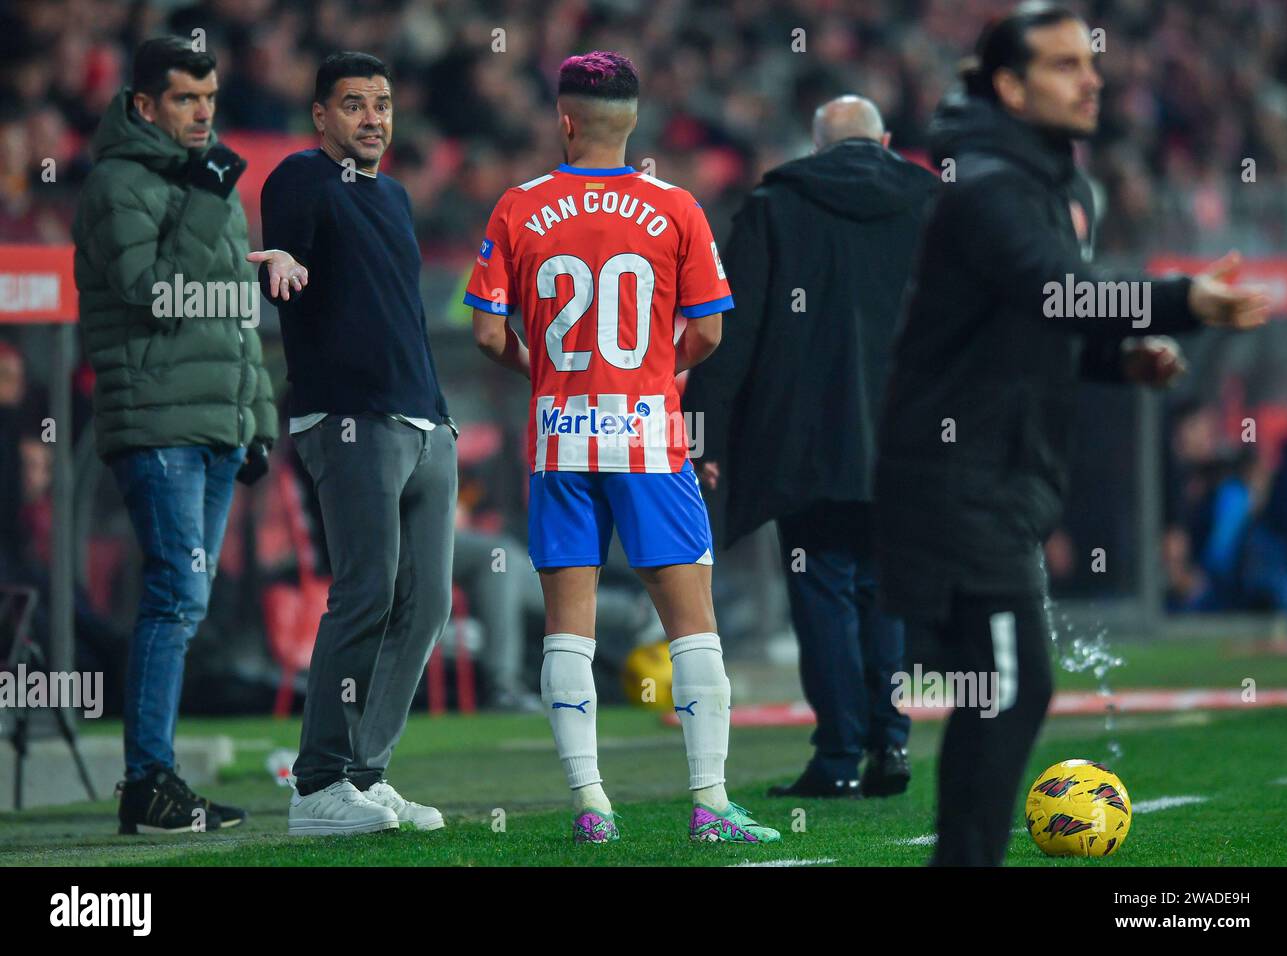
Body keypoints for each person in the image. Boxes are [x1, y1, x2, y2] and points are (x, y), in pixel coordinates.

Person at [874, 2, 1270, 867]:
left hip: (988, 472)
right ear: (1011, 87)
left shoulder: (1037, 181)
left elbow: (1032, 324)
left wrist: (1118, 361)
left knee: (1001, 689)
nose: (1091, 77)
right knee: (1011, 689)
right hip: (958, 474)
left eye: (1088, 62)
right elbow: (1053, 291)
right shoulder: (989, 184)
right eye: (1063, 65)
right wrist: (1183, 300)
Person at [468, 51, 780, 845]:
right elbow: (709, 330)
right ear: (632, 122)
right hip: (647, 434)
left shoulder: (517, 206)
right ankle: (710, 804)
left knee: (569, 629)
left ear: (564, 121)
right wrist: (653, 368)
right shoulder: (677, 208)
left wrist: (543, 367)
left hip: (559, 439)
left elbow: (483, 330)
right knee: (693, 628)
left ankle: (591, 806)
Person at [73, 36, 296, 835]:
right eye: (183, 99)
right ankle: (149, 784)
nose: (203, 112)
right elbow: (150, 292)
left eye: (208, 97)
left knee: (182, 601)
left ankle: (152, 783)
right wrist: (207, 198)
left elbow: (238, 316)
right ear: (144, 105)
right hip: (158, 422)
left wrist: (257, 417)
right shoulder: (117, 185)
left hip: (211, 424)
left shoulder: (205, 182)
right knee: (175, 595)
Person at [684, 95, 934, 799]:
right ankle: (891, 740)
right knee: (885, 589)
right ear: (884, 141)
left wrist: (706, 431)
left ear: (819, 147)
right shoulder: (933, 205)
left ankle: (838, 756)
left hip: (806, 442)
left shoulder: (776, 205)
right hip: (911, 440)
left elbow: (729, 330)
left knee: (823, 588)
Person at [260, 52, 458, 836]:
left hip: (421, 423)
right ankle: (315, 788)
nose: (372, 118)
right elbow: (288, 245)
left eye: (381, 103)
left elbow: (399, 314)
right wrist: (281, 258)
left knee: (427, 604)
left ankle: (365, 775)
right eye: (353, 104)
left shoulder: (396, 197)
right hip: (349, 420)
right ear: (320, 116)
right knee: (367, 594)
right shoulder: (300, 178)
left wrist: (440, 416)